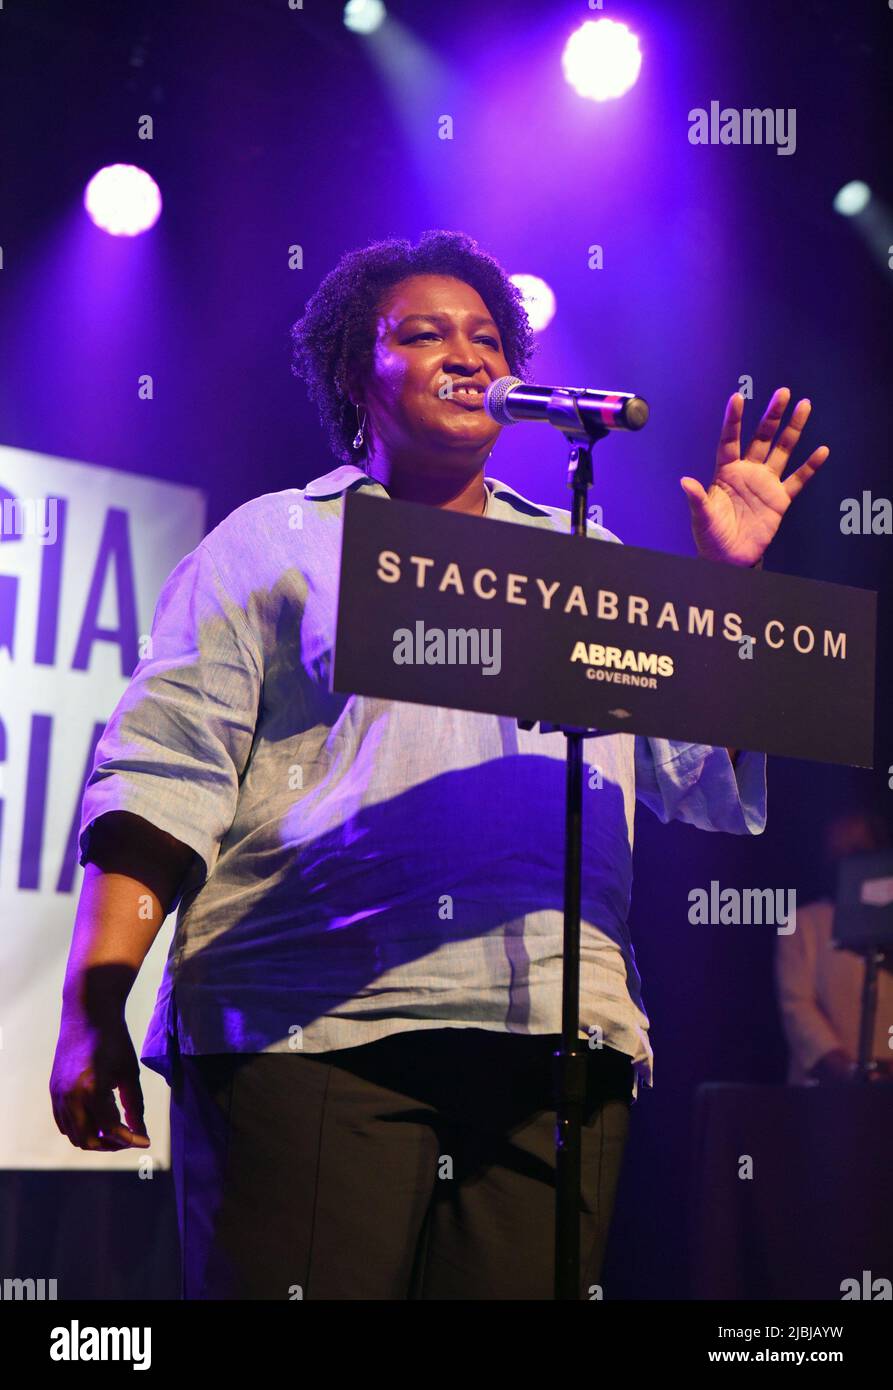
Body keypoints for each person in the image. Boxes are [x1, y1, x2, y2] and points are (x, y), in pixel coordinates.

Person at [50, 229, 829, 1299]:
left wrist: (728, 594)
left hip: (556, 1043)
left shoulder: (584, 562)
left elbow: (697, 770)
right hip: (313, 1029)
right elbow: (161, 777)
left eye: (486, 339)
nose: (466, 355)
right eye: (421, 335)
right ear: (351, 375)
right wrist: (92, 1008)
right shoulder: (275, 540)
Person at [775, 809, 893, 1085]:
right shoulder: (804, 922)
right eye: (843, 856)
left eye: (860, 852)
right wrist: (847, 1069)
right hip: (827, 1093)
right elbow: (797, 1007)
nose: (852, 865)